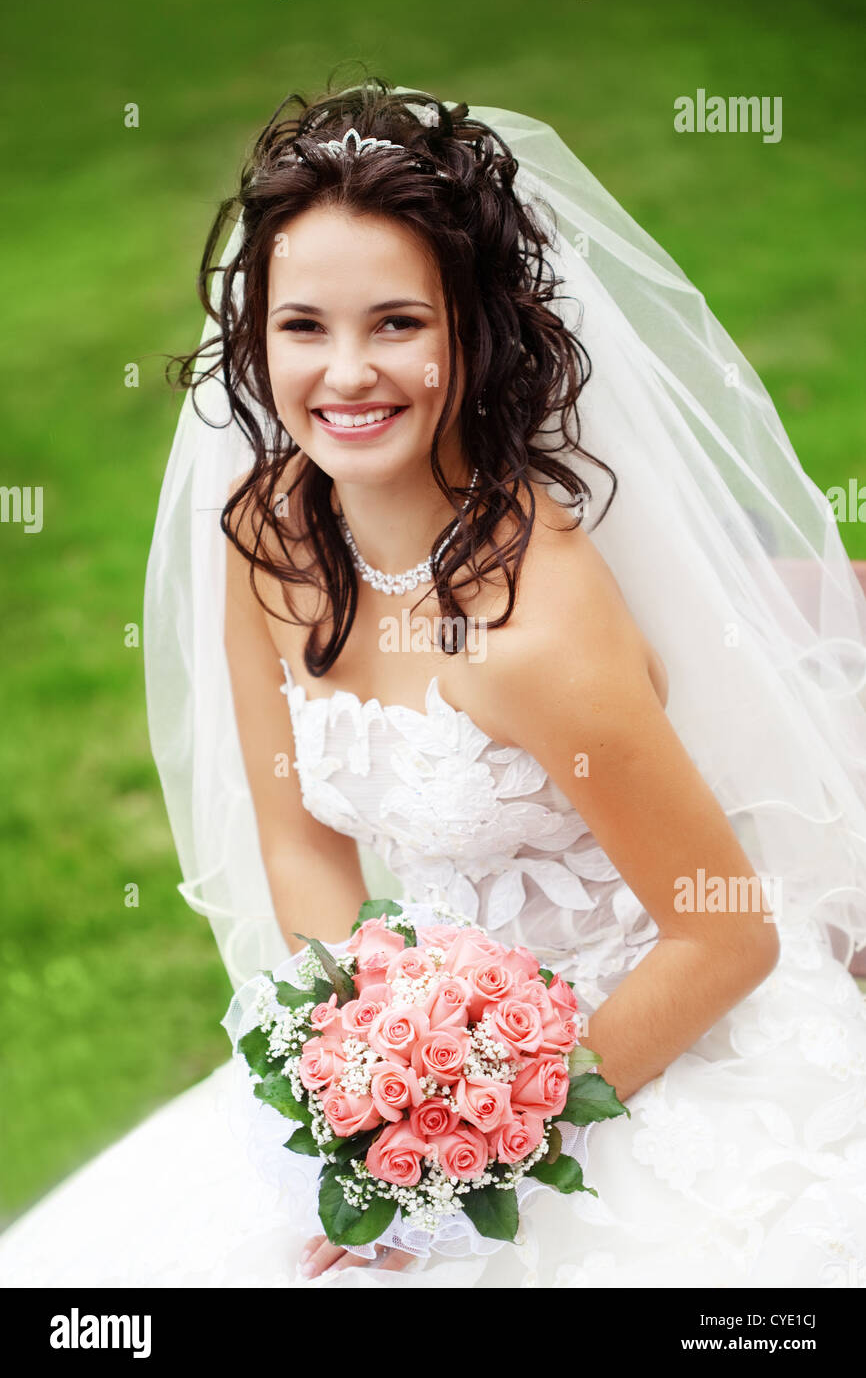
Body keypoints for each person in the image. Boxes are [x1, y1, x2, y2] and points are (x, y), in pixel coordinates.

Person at [3, 77, 866, 1290]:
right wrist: (364, 1071)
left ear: (474, 331)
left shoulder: (535, 626)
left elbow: (721, 930)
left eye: (396, 323)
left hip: (639, 1041)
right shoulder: (265, 539)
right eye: (302, 325)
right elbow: (300, 846)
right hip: (429, 1051)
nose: (346, 375)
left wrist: (470, 1156)